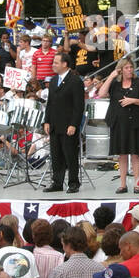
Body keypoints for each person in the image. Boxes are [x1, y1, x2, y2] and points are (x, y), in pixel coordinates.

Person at [96, 59, 139, 194]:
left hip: (136, 122)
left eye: (131, 67)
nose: (129, 70)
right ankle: (122, 184)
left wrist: (133, 100)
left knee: (135, 153)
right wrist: (111, 76)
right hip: (119, 122)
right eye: (126, 68)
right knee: (122, 154)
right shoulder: (115, 84)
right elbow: (102, 93)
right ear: (121, 69)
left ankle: (137, 184)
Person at [43, 51, 84, 193]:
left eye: (56, 62)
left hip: (68, 124)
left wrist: (74, 124)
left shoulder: (75, 81)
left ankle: (73, 182)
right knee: (56, 155)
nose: (53, 65)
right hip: (54, 123)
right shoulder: (54, 81)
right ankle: (57, 182)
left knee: (70, 154)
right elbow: (50, 103)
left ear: (65, 64)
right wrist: (46, 121)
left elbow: (79, 106)